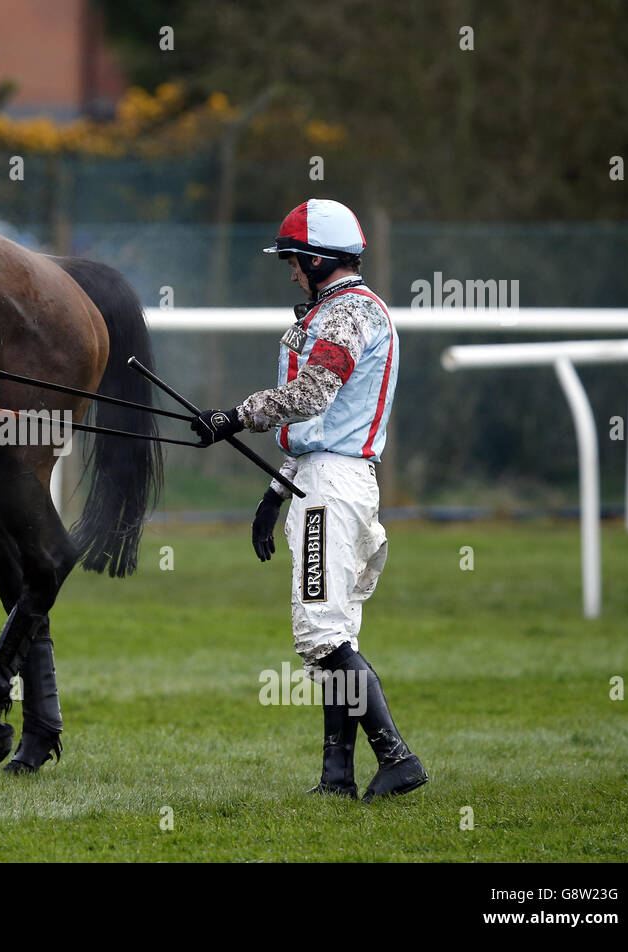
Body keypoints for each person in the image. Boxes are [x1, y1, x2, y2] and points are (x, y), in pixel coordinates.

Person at [192, 199, 427, 801]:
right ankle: (337, 778)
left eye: (294, 261)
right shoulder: (337, 310)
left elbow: (312, 394)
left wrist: (234, 416)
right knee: (336, 636)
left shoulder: (347, 315)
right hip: (326, 478)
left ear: (319, 259)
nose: (291, 271)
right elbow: (321, 425)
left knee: (321, 637)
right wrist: (276, 490)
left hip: (333, 488)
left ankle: (397, 758)